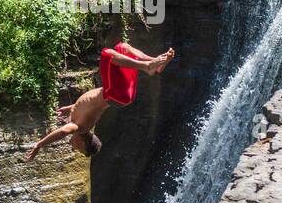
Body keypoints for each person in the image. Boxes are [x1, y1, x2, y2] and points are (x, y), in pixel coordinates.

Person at [25, 42, 175, 159]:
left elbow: (90, 104)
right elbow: (63, 131)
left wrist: (71, 107)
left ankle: (155, 65)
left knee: (122, 47)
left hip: (122, 96)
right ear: (84, 143)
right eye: (79, 150)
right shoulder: (80, 129)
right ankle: (148, 65)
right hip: (115, 95)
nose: (74, 148)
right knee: (108, 54)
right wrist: (39, 145)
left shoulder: (81, 122)